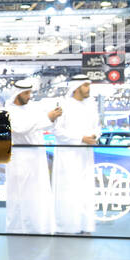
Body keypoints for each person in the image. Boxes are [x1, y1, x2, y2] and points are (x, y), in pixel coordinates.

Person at [3, 79, 59, 235]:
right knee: (20, 194)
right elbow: (21, 128)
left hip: (36, 156)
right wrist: (47, 118)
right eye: (26, 93)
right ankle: (20, 228)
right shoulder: (8, 111)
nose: (29, 96)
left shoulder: (33, 108)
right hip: (20, 157)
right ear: (18, 94)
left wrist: (51, 118)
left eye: (29, 93)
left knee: (38, 193)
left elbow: (42, 125)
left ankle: (38, 227)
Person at [52, 74, 100, 234]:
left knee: (85, 190)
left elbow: (97, 127)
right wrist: (81, 138)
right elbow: (58, 131)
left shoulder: (92, 106)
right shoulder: (64, 105)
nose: (88, 89)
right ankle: (67, 227)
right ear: (76, 87)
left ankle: (85, 226)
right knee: (68, 191)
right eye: (86, 85)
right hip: (68, 156)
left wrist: (94, 136)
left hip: (86, 155)